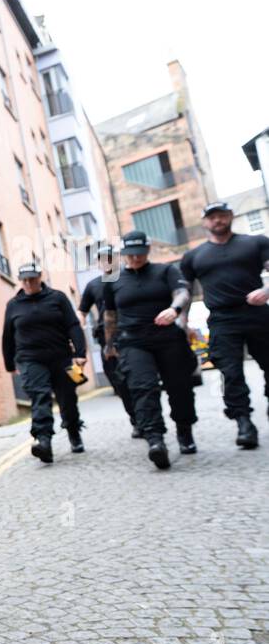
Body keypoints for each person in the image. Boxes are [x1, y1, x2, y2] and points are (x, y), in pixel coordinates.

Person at [103, 230, 197, 469]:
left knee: (179, 387)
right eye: (130, 254)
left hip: (168, 338)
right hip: (133, 341)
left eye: (139, 253)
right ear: (123, 254)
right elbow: (110, 315)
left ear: (147, 251)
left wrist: (174, 310)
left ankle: (184, 431)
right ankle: (155, 440)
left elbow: (183, 293)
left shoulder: (166, 271)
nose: (135, 258)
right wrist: (109, 344)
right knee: (142, 388)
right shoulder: (112, 279)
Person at [179, 201, 269, 449]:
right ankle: (244, 423)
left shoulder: (255, 243)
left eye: (221, 215)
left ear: (230, 216)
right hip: (222, 320)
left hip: (258, 313)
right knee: (231, 373)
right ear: (205, 222)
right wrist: (182, 322)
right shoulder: (193, 256)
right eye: (212, 217)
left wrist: (266, 290)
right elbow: (184, 291)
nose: (217, 220)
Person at [1, 260, 88, 462]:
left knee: (68, 399)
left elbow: (73, 326)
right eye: (25, 280)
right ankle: (43, 440)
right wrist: (10, 364)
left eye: (32, 279)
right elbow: (7, 336)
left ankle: (74, 431)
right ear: (20, 282)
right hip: (30, 359)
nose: (29, 283)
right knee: (40, 396)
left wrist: (80, 352)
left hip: (62, 357)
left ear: (40, 277)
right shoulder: (13, 305)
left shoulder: (58, 298)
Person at [79, 246, 139, 437]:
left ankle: (148, 417)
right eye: (103, 259)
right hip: (108, 341)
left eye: (111, 258)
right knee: (120, 383)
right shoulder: (93, 285)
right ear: (98, 262)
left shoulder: (130, 278)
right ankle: (136, 420)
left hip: (133, 335)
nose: (107, 262)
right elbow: (82, 311)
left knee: (139, 379)